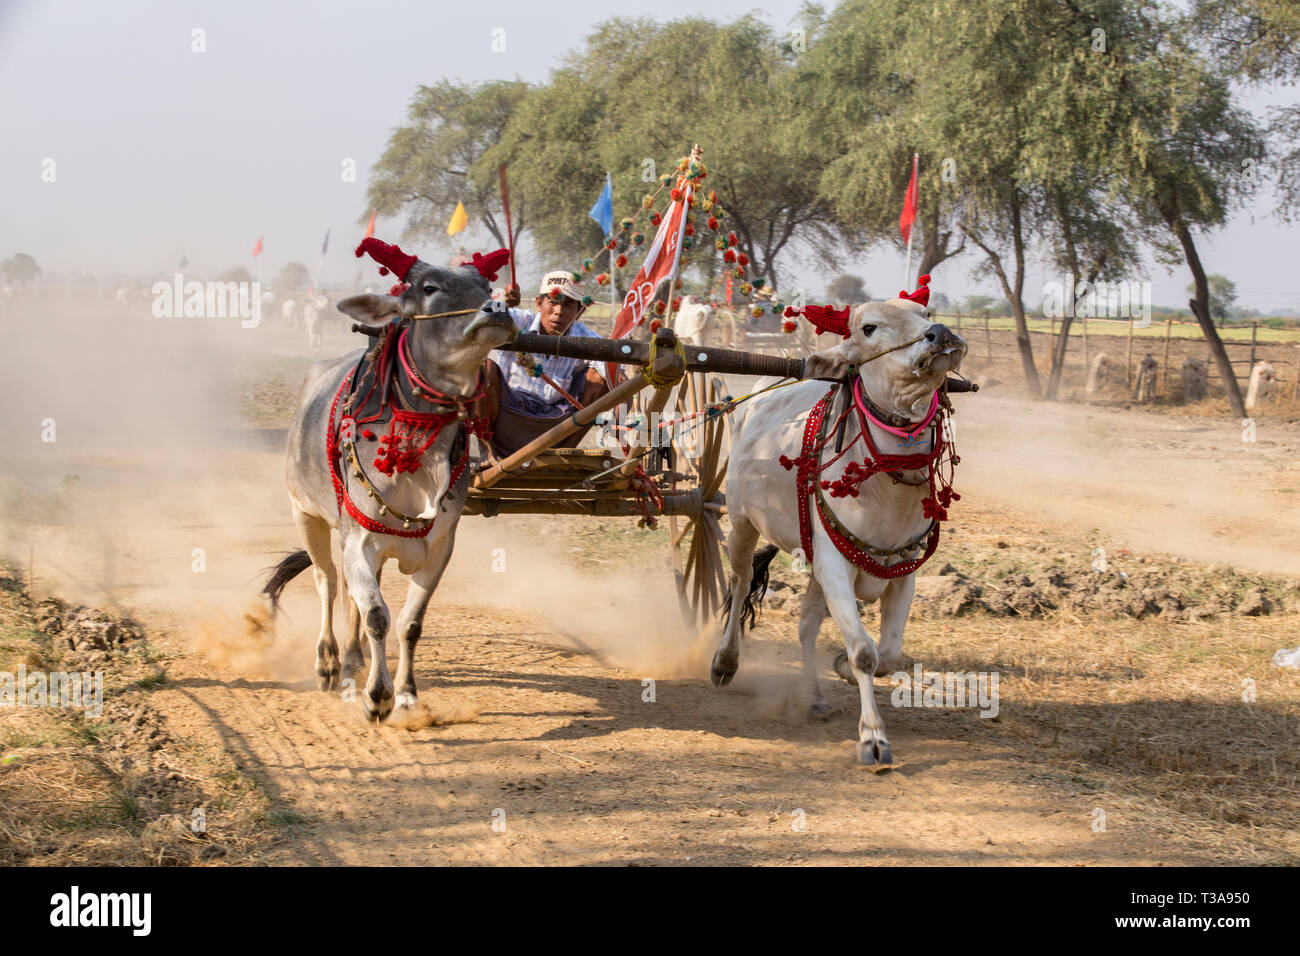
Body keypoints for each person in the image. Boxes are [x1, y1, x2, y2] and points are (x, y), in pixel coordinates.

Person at [478, 270, 611, 458]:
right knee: (485, 368)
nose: (559, 311)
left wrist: (624, 395)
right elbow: (481, 311)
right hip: (508, 418)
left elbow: (612, 370)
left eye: (568, 305)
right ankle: (488, 451)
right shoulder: (519, 319)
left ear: (578, 311)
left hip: (556, 429)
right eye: (553, 302)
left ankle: (563, 455)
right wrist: (503, 300)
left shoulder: (586, 337)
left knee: (600, 379)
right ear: (539, 303)